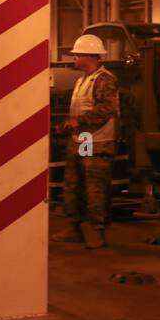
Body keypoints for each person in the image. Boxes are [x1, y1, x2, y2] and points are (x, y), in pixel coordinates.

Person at [52, 33, 119, 249]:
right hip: (80, 141)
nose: (73, 58)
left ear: (88, 55)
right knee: (73, 186)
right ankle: (74, 228)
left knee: (95, 189)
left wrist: (77, 121)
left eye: (76, 54)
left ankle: (98, 232)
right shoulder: (83, 80)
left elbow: (106, 110)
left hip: (97, 143)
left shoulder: (105, 80)